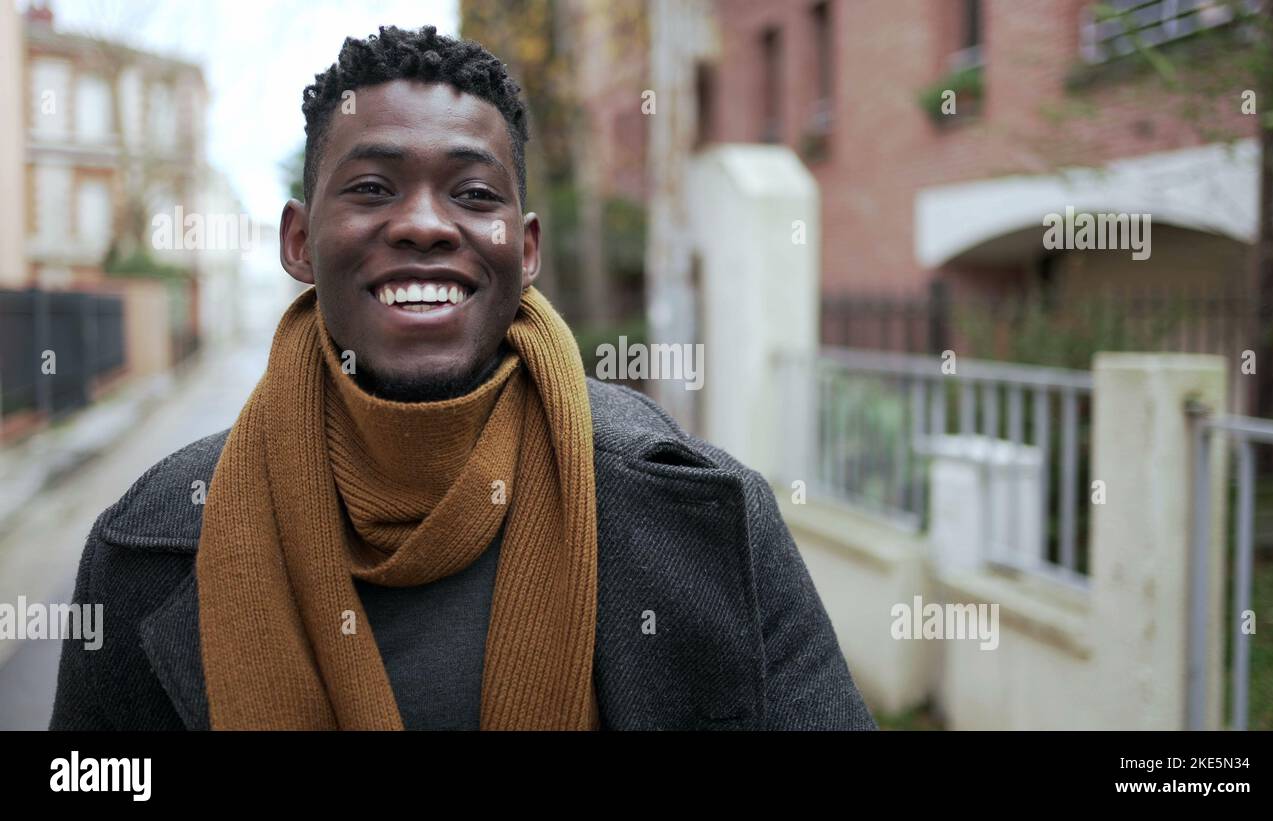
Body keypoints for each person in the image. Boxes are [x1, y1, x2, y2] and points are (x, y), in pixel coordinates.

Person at [48, 24, 874, 731]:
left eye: (473, 192)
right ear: (298, 241)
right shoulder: (148, 547)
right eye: (372, 187)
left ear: (526, 246)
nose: (421, 223)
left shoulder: (706, 514)